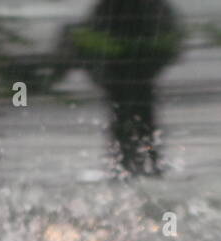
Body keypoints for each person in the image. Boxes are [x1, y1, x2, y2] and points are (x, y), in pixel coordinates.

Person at [73, 0, 183, 177]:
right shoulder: (150, 7)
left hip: (124, 75)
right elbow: (170, 41)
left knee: (126, 122)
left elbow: (89, 43)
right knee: (139, 122)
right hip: (133, 75)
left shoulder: (109, 8)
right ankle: (144, 165)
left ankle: (127, 166)